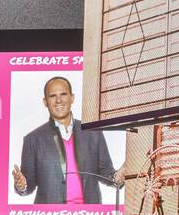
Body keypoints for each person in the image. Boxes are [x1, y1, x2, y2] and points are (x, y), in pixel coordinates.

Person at [12, 76, 120, 204]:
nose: (58, 100)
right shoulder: (32, 139)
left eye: (63, 94)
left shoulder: (93, 133)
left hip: (89, 214)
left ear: (72, 98)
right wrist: (21, 185)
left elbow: (105, 171)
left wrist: (118, 176)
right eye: (52, 96)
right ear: (45, 102)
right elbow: (28, 183)